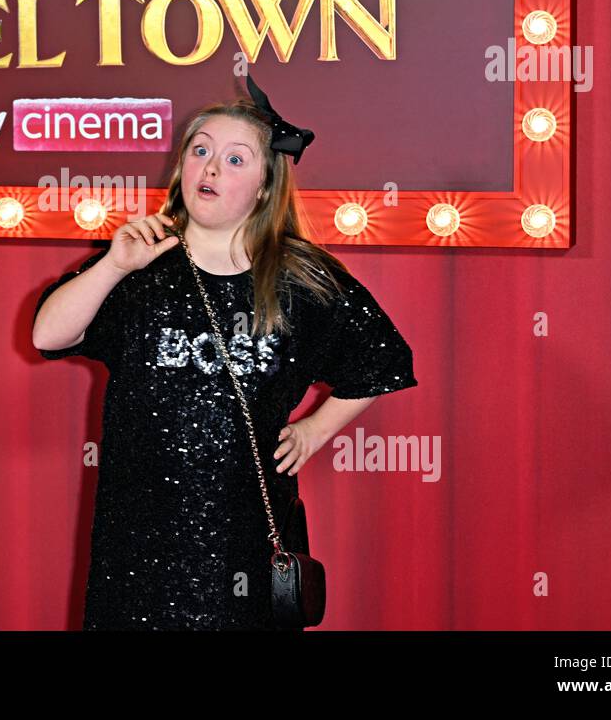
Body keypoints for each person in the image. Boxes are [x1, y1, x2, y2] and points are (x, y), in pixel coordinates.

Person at [31, 76, 418, 630]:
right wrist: (113, 266)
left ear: (265, 186)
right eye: (201, 151)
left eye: (235, 160)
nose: (211, 168)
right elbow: (49, 335)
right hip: (138, 540)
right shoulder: (142, 264)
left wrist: (314, 429)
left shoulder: (301, 279)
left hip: (243, 538)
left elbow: (381, 362)